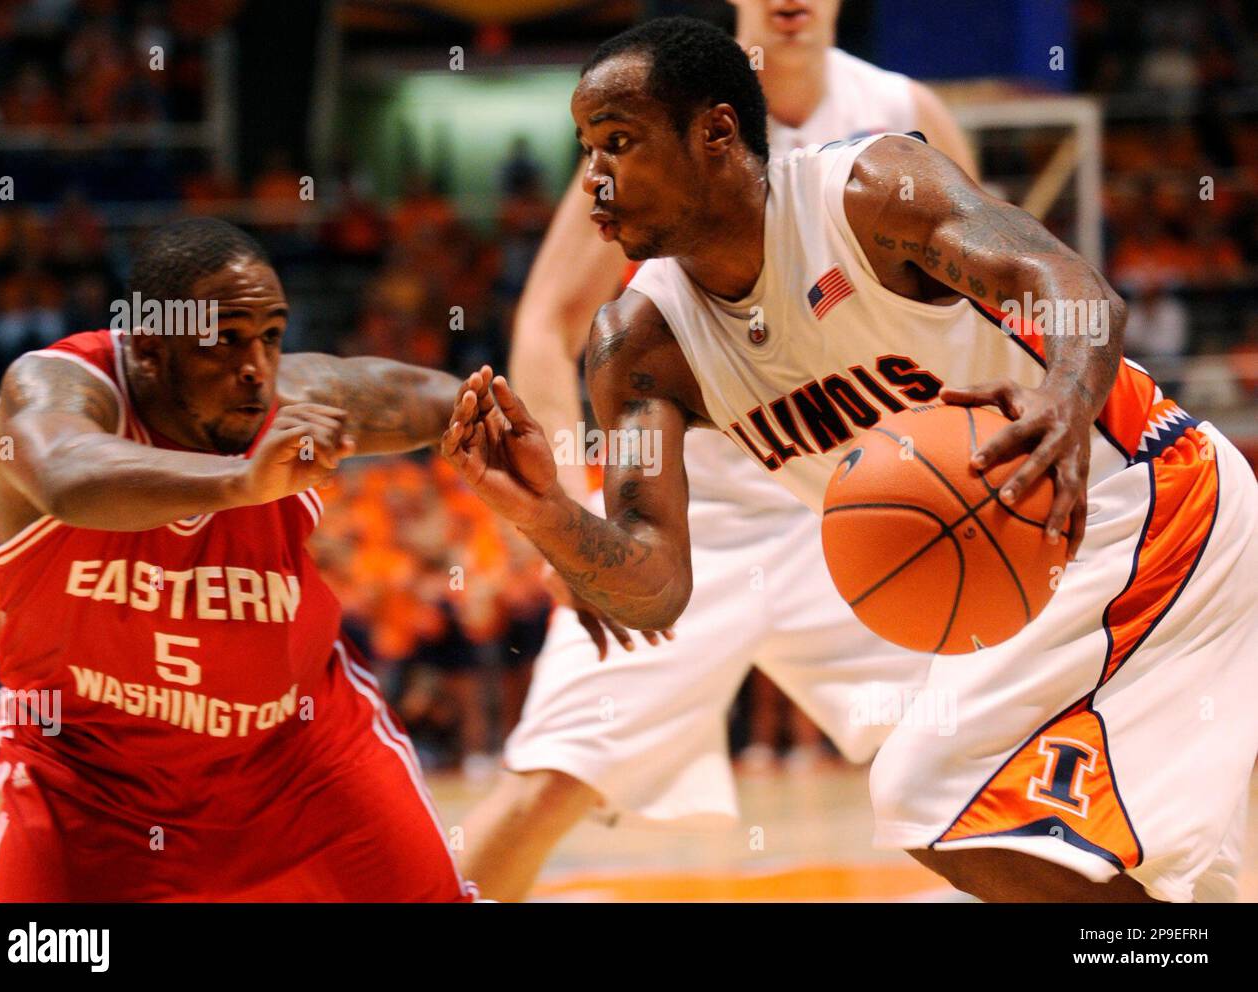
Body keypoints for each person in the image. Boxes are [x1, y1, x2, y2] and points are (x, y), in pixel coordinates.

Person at [444, 17, 1258, 902]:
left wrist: (1063, 399)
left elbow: (1077, 291)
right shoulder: (636, 345)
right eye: (587, 149)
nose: (594, 179)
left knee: (926, 790)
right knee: (1161, 874)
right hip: (1026, 566)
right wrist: (542, 514)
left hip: (1148, 497)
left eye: (619, 145)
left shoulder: (870, 192)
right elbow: (660, 584)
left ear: (716, 133)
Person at [461, 0, 976, 902]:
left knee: (988, 756)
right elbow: (546, 317)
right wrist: (573, 517)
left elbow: (982, 290)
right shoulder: (655, 118)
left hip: (869, 507)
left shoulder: (902, 110)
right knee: (548, 781)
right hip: (691, 520)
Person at [0, 216, 481, 902]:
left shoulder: (290, 401)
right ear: (149, 348)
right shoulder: (57, 389)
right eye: (225, 341)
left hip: (302, 768)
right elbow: (65, 473)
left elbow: (444, 404)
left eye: (270, 337)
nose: (256, 367)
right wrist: (242, 483)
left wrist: (557, 515)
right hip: (88, 790)